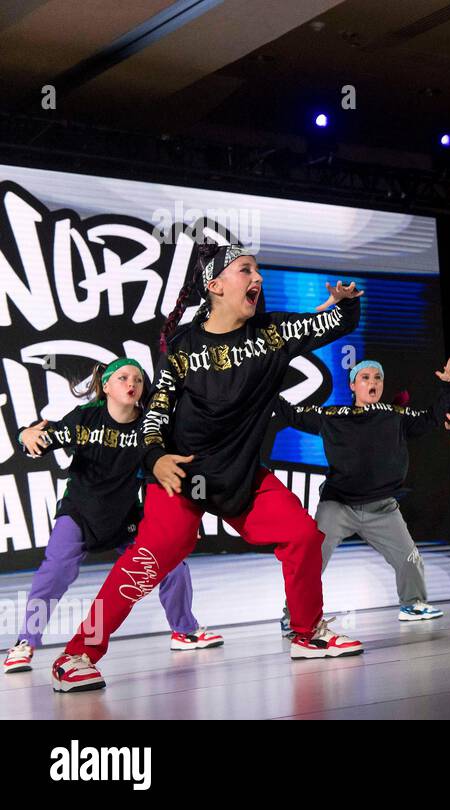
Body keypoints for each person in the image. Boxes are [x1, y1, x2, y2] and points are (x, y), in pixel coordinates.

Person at [50, 242, 364, 693]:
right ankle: (76, 654)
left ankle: (307, 632)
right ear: (215, 286)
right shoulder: (183, 349)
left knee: (301, 535)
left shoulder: (275, 333)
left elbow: (333, 321)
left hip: (238, 475)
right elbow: (155, 413)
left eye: (258, 270)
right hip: (182, 474)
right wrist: (154, 458)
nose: (257, 278)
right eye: (245, 270)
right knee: (148, 561)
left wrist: (347, 304)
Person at [4, 360, 222, 675]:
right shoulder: (85, 419)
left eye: (137, 378)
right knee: (54, 573)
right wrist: (24, 435)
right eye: (122, 378)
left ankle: (185, 630)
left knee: (171, 564)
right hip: (79, 513)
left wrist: (190, 518)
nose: (131, 383)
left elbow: (171, 475)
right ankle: (25, 642)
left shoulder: (151, 427)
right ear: (106, 386)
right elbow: (41, 439)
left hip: (125, 517)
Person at [273, 358, 450, 626]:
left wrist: (448, 388)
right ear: (352, 385)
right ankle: (293, 616)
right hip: (338, 506)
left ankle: (413, 604)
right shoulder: (333, 416)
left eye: (377, 378)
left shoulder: (395, 415)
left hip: (382, 508)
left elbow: (431, 419)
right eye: (365, 378)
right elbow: (290, 414)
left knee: (409, 558)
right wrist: (266, 382)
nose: (372, 383)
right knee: (310, 562)